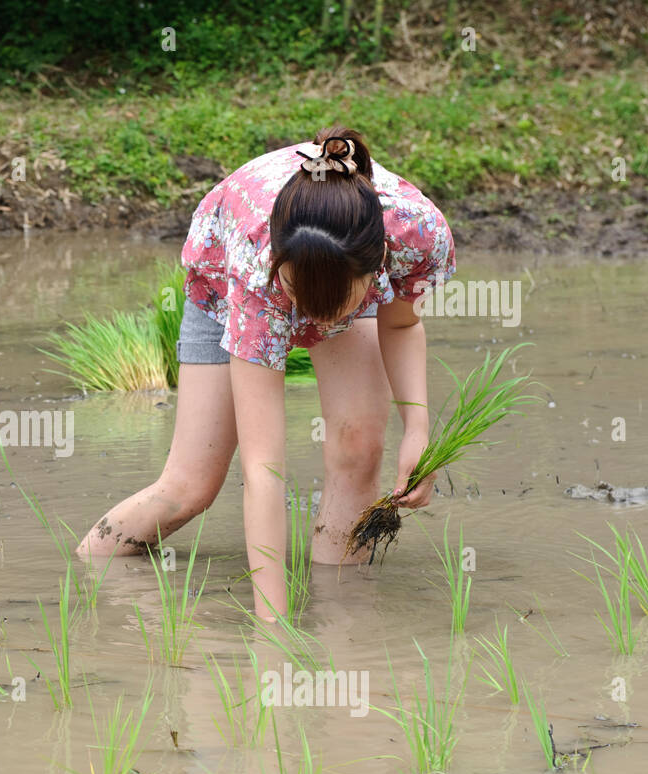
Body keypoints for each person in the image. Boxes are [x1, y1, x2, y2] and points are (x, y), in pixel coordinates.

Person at [76, 125, 455, 621]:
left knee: (359, 446)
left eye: (335, 308)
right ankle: (85, 569)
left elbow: (401, 325)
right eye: (304, 303)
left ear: (379, 267)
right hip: (230, 282)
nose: (315, 323)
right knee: (190, 487)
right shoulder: (260, 276)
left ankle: (343, 615)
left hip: (334, 263)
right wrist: (272, 633)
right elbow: (263, 471)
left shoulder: (416, 237)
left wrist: (418, 431)